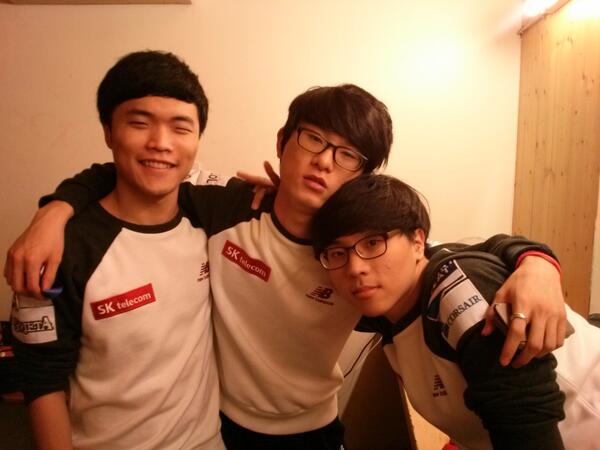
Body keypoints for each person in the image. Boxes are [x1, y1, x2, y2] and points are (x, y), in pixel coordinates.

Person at [5, 84, 567, 449]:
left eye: (347, 155)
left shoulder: (359, 254)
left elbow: (450, 258)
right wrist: (55, 210)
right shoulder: (224, 207)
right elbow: (137, 171)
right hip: (217, 425)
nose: (323, 161)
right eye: (313, 140)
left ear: (363, 176)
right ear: (283, 142)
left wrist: (537, 262)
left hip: (311, 430)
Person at [9, 51, 224, 450]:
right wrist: (55, 212)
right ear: (108, 132)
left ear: (197, 140)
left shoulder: (210, 217)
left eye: (181, 127)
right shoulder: (62, 249)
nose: (161, 143)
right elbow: (41, 380)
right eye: (139, 123)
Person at [311, 174, 600, 450]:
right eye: (338, 252)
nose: (355, 268)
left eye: (373, 243)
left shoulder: (459, 294)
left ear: (417, 242)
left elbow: (528, 429)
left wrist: (540, 261)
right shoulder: (386, 303)